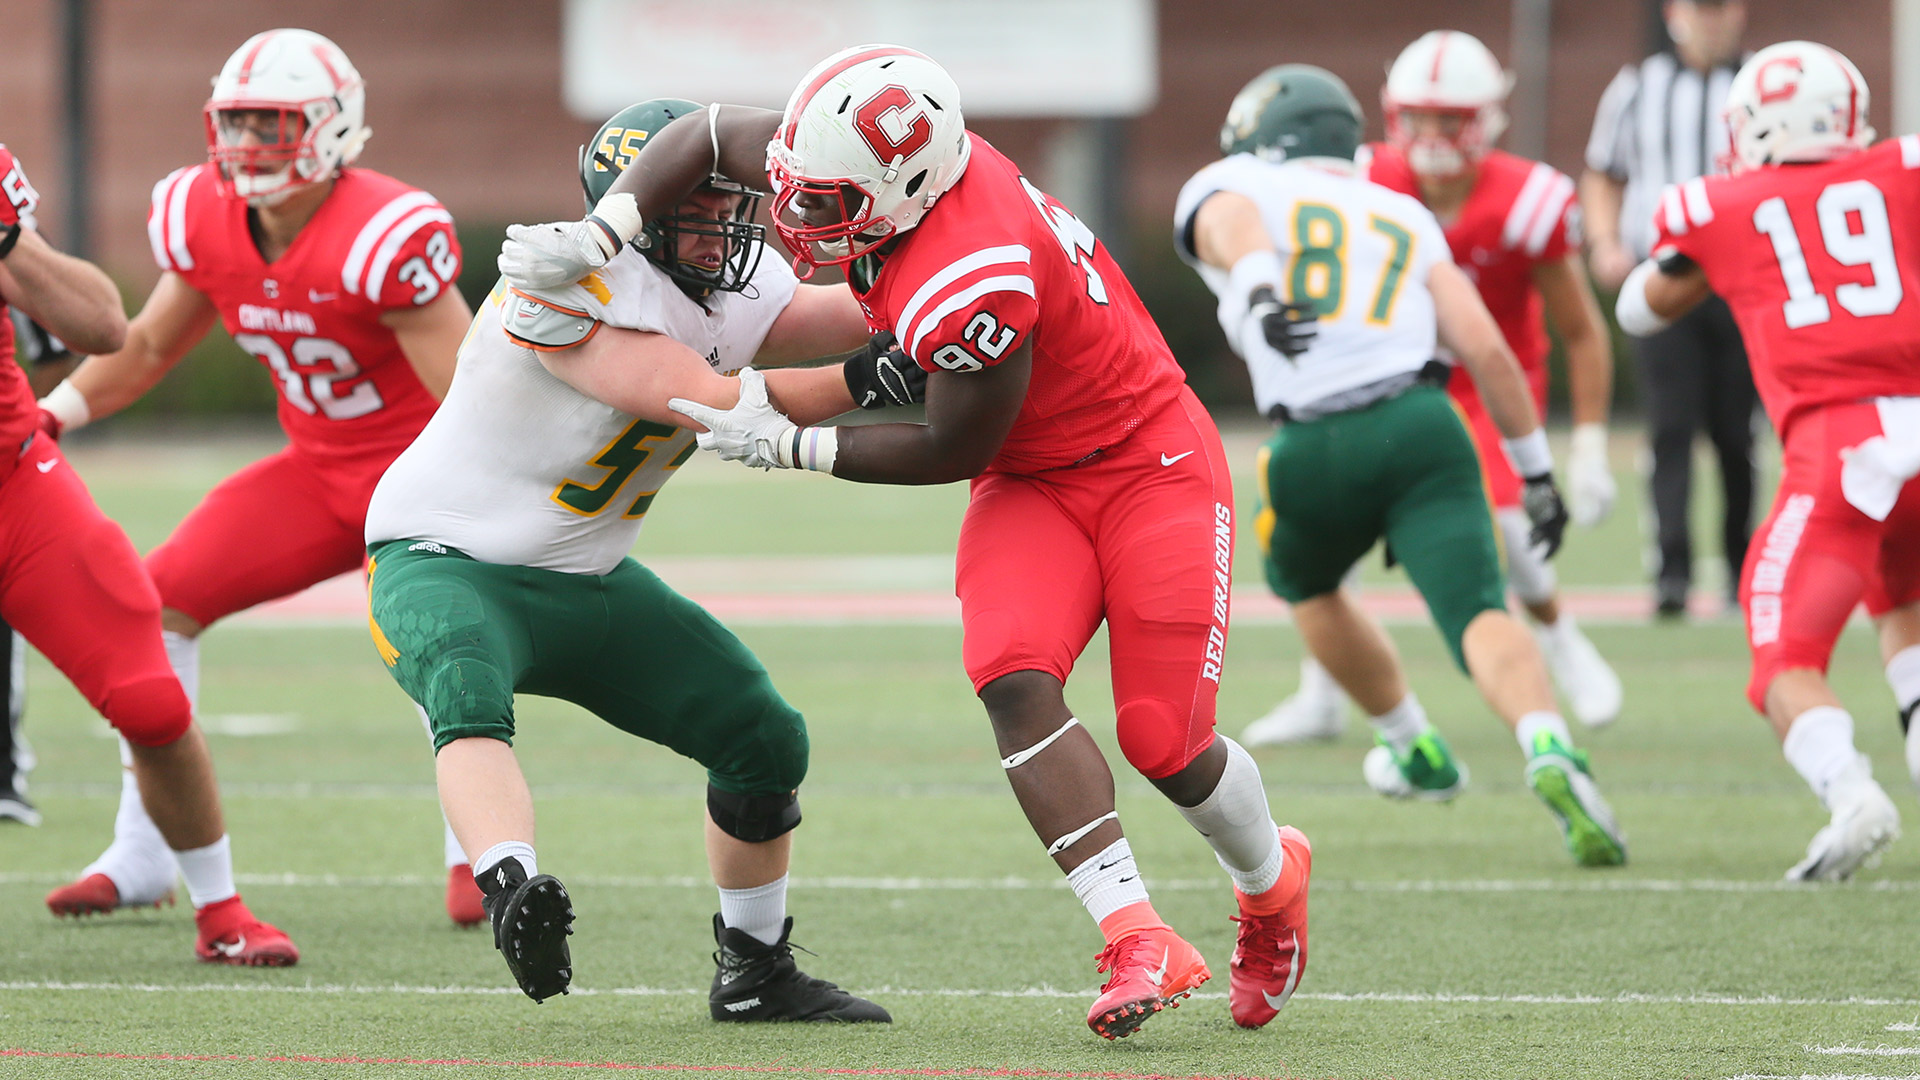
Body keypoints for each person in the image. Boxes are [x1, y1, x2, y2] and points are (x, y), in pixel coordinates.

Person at [500, 45, 1314, 1038]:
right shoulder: (858, 164)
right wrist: (601, 234)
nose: (798, 216)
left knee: (1164, 738)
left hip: (1147, 463)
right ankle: (1135, 934)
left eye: (826, 202)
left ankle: (1271, 888)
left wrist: (797, 447)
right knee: (1013, 678)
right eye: (799, 191)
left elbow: (952, 441)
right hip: (1033, 476)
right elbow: (705, 134)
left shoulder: (977, 269)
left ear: (909, 188)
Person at [365, 98, 894, 1020]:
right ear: (632, 211)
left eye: (730, 202)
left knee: (763, 738)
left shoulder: (738, 280)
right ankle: (511, 887)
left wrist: (947, 283)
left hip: (590, 576)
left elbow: (841, 312)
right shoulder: (559, 277)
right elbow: (704, 399)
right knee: (464, 684)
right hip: (445, 553)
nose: (722, 221)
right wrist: (876, 377)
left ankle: (756, 972)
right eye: (697, 203)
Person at [35, 29, 483, 926]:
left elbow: (472, 393)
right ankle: (142, 851)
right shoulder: (202, 215)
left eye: (270, 126)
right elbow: (151, 344)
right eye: (234, 125)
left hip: (422, 478)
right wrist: (52, 416)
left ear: (330, 129)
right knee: (158, 601)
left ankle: (480, 855)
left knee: (448, 640)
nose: (245, 147)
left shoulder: (385, 231)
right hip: (316, 475)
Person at [1176, 64, 1627, 867]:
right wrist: (1536, 471)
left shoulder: (1237, 182)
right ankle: (1550, 745)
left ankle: (1411, 743)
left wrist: (1257, 289)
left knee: (1308, 586)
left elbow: (1231, 217)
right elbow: (1486, 348)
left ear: (1264, 138)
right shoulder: (1401, 211)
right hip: (1425, 425)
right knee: (1481, 608)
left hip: (1311, 441)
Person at [1245, 31, 1623, 745]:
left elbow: (1578, 329)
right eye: (1417, 117)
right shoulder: (1365, 179)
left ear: (1485, 119)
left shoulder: (1527, 199)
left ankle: (1560, 635)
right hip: (1390, 374)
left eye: (1448, 119)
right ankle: (1322, 692)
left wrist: (1592, 444)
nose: (1431, 135)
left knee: (1510, 529)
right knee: (1334, 521)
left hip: (1492, 378)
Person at [1615, 41, 1920, 880]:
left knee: (1783, 653)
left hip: (1838, 445)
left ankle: (1851, 791)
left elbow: (1638, 308)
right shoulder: (1903, 171)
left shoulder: (1721, 203)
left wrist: (1719, 265)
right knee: (1906, 600)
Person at [0, 141, 297, 964]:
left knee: (150, 702)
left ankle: (220, 911)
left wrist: (5, 240)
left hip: (15, 488)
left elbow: (102, 327)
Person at [1582, 0, 1756, 617]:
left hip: (1743, 282)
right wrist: (1605, 242)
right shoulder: (1638, 87)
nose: (1710, 20)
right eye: (1700, 8)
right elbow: (1603, 172)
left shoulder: (1764, 82)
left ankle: (1742, 569)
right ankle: (1671, 571)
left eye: (1719, 7)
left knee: (1739, 434)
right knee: (1670, 428)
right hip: (1662, 276)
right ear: (1675, 14)